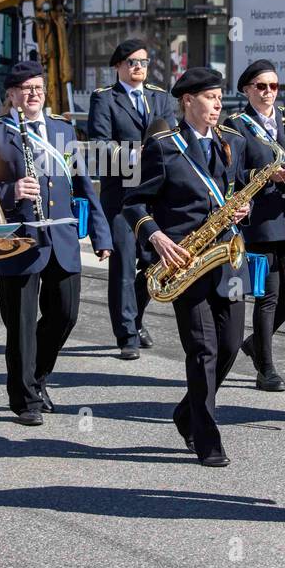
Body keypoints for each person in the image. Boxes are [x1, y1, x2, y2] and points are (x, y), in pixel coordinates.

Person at [122, 67, 250, 466]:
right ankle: (207, 439)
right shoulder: (163, 146)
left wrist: (246, 207)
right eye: (210, 98)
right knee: (202, 350)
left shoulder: (233, 142)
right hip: (184, 262)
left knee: (229, 347)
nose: (217, 104)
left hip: (225, 258)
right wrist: (156, 237)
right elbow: (133, 204)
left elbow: (242, 186)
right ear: (188, 101)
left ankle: (185, 413)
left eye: (219, 97)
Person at [0, 60, 111, 424]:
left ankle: (37, 377)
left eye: (38, 87)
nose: (34, 93)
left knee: (65, 315)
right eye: (26, 88)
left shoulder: (63, 130)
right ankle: (25, 400)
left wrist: (101, 235)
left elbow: (82, 184)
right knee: (21, 325)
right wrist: (10, 191)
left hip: (62, 237)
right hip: (18, 241)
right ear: (11, 95)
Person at [87, 39, 177, 359]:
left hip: (155, 197)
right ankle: (126, 333)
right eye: (131, 62)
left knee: (154, 264)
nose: (138, 67)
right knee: (124, 265)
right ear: (118, 67)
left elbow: (173, 141)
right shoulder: (105, 99)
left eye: (143, 62)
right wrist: (133, 155)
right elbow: (98, 148)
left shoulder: (161, 98)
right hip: (122, 198)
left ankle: (136, 317)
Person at [231, 60, 285, 393]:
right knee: (268, 296)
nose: (268, 93)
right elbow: (232, 172)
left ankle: (254, 343)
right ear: (247, 89)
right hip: (260, 219)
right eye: (261, 86)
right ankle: (266, 368)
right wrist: (264, 175)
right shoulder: (237, 124)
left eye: (273, 86)